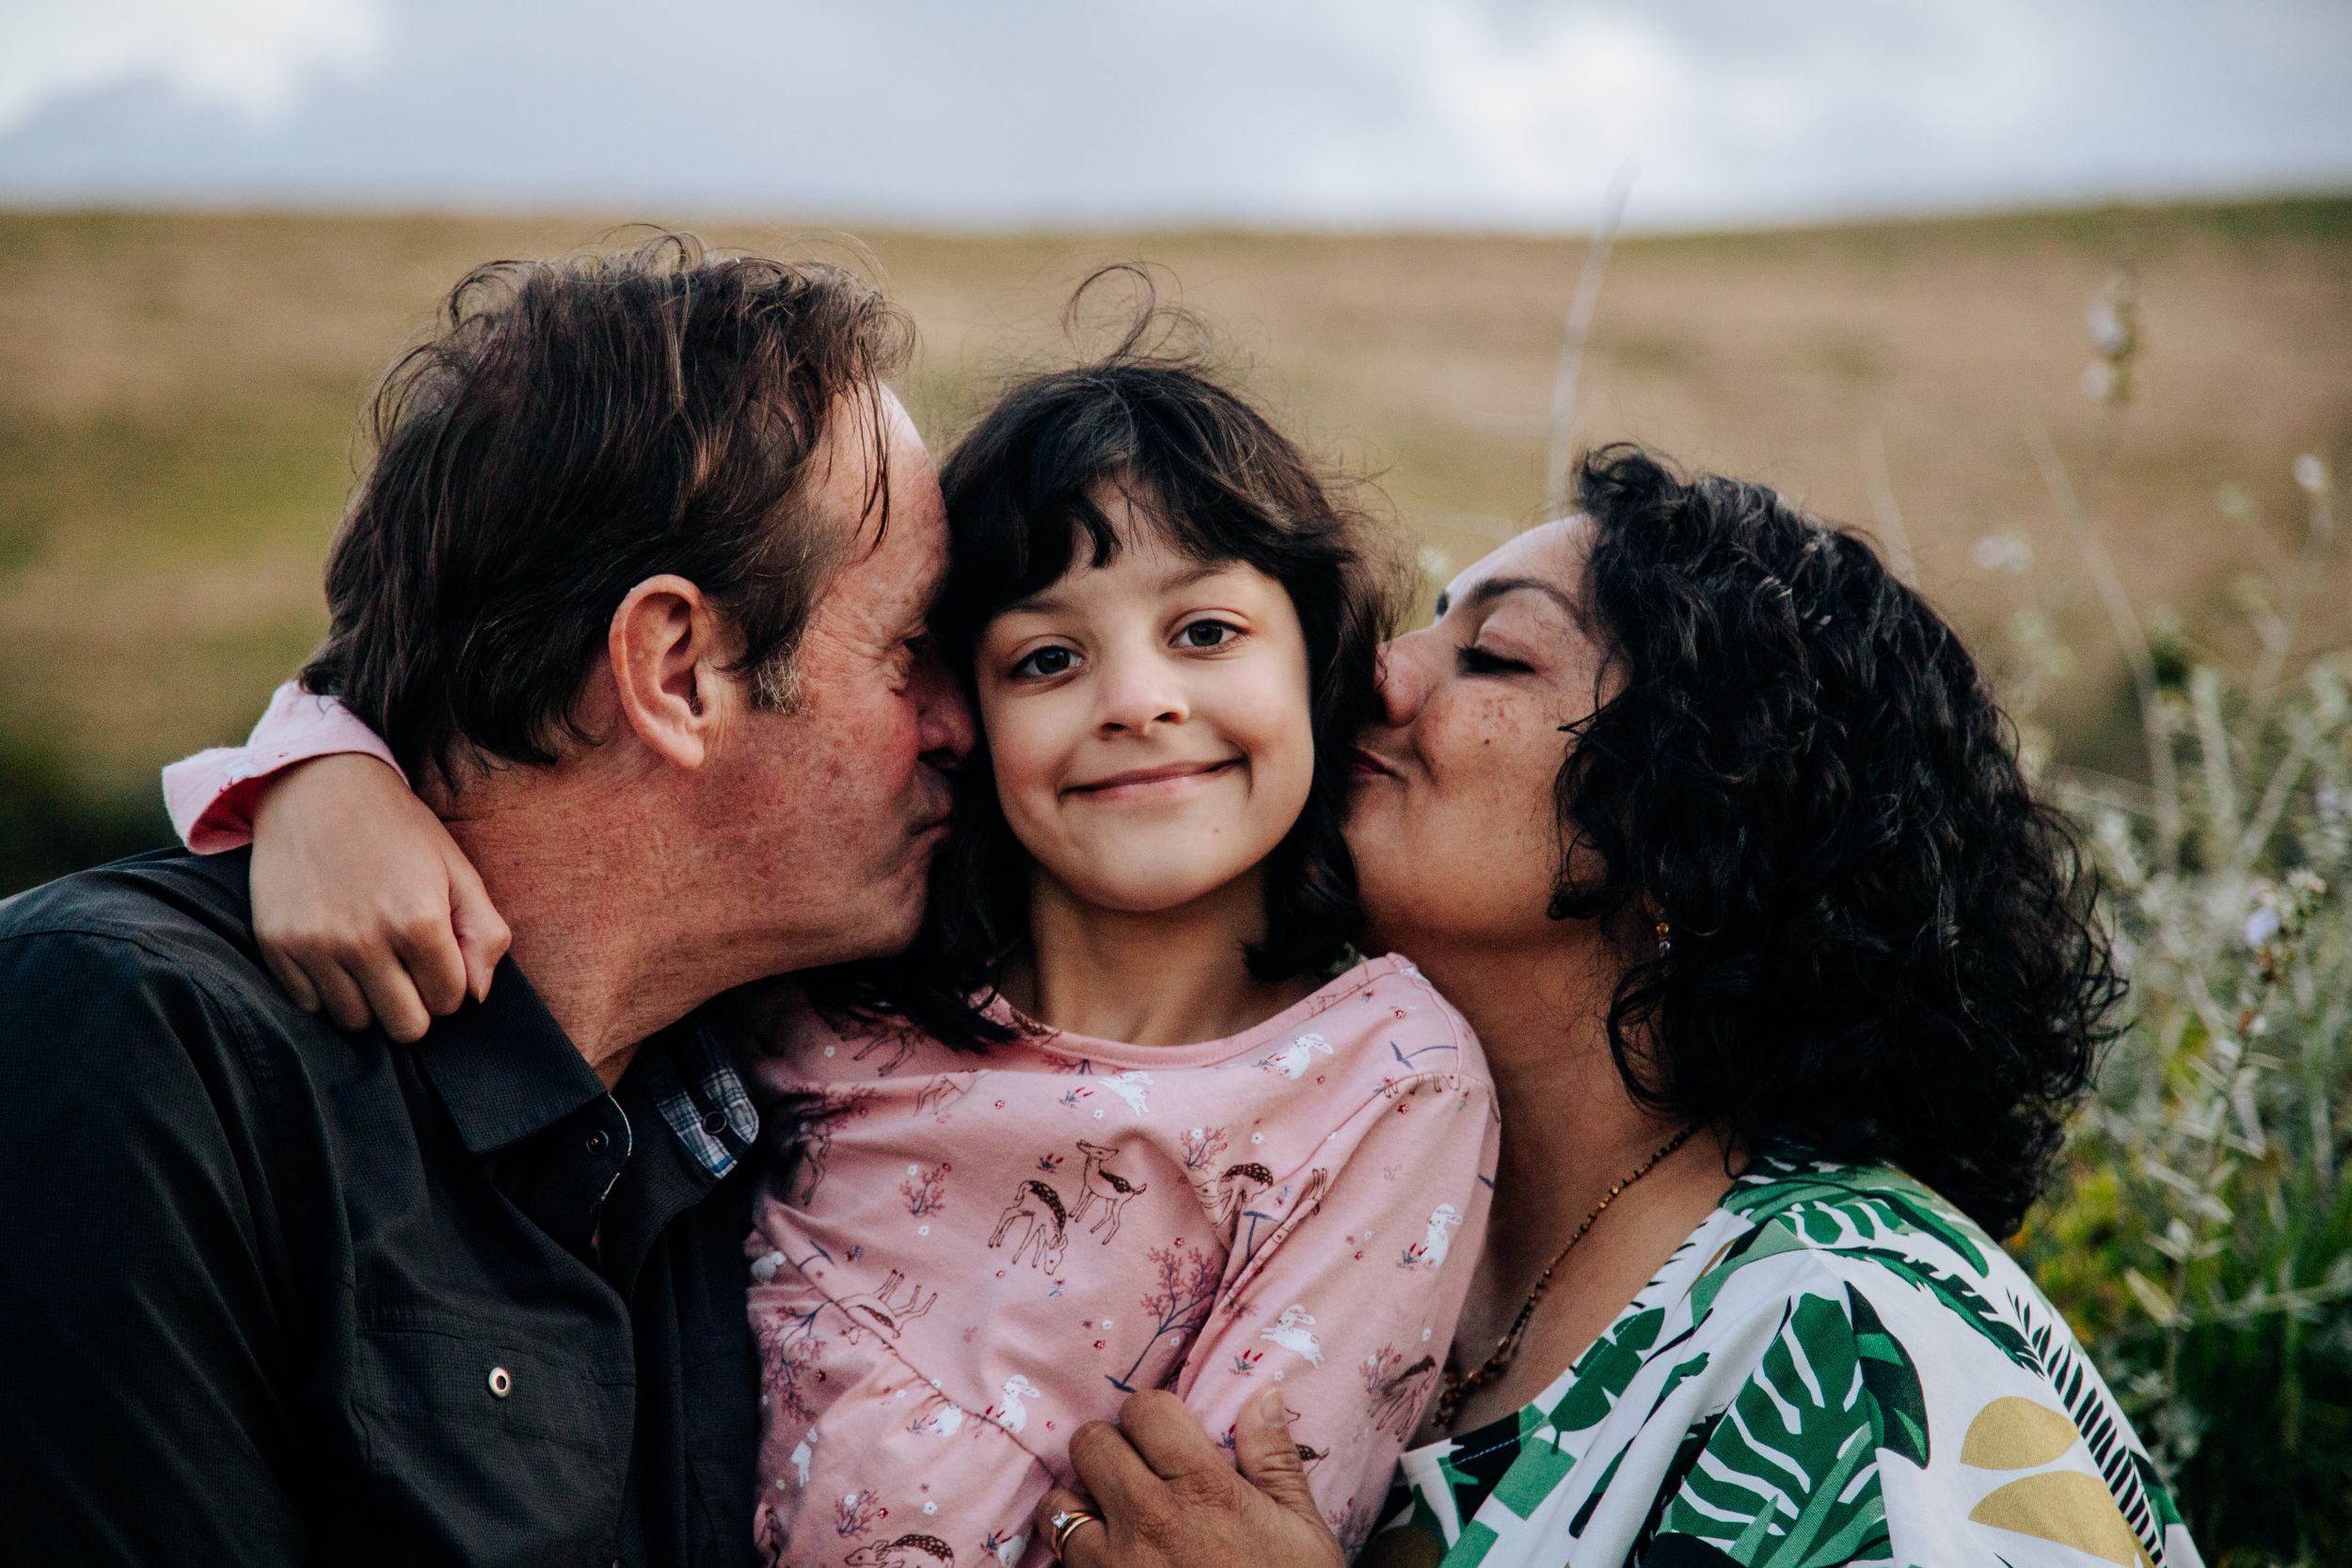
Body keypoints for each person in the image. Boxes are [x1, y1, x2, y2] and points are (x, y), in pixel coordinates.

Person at [155, 321, 1501, 1566]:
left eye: (1205, 633)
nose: (1139, 700)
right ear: (965, 708)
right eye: (1045, 659)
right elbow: (537, 786)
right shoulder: (827, 1002)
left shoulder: (1378, 1074)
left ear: (1320, 658)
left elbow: (1213, 1516)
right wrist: (323, 764)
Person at [1023, 448, 2205, 1567]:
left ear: (1691, 822)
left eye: (1492, 654)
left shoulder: (1858, 1332)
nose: (1375, 667)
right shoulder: (1356, 1221)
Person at [0, 234, 974, 1566]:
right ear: (675, 670)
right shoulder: (143, 1051)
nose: (963, 723)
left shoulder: (789, 1103)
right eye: (910, 650)